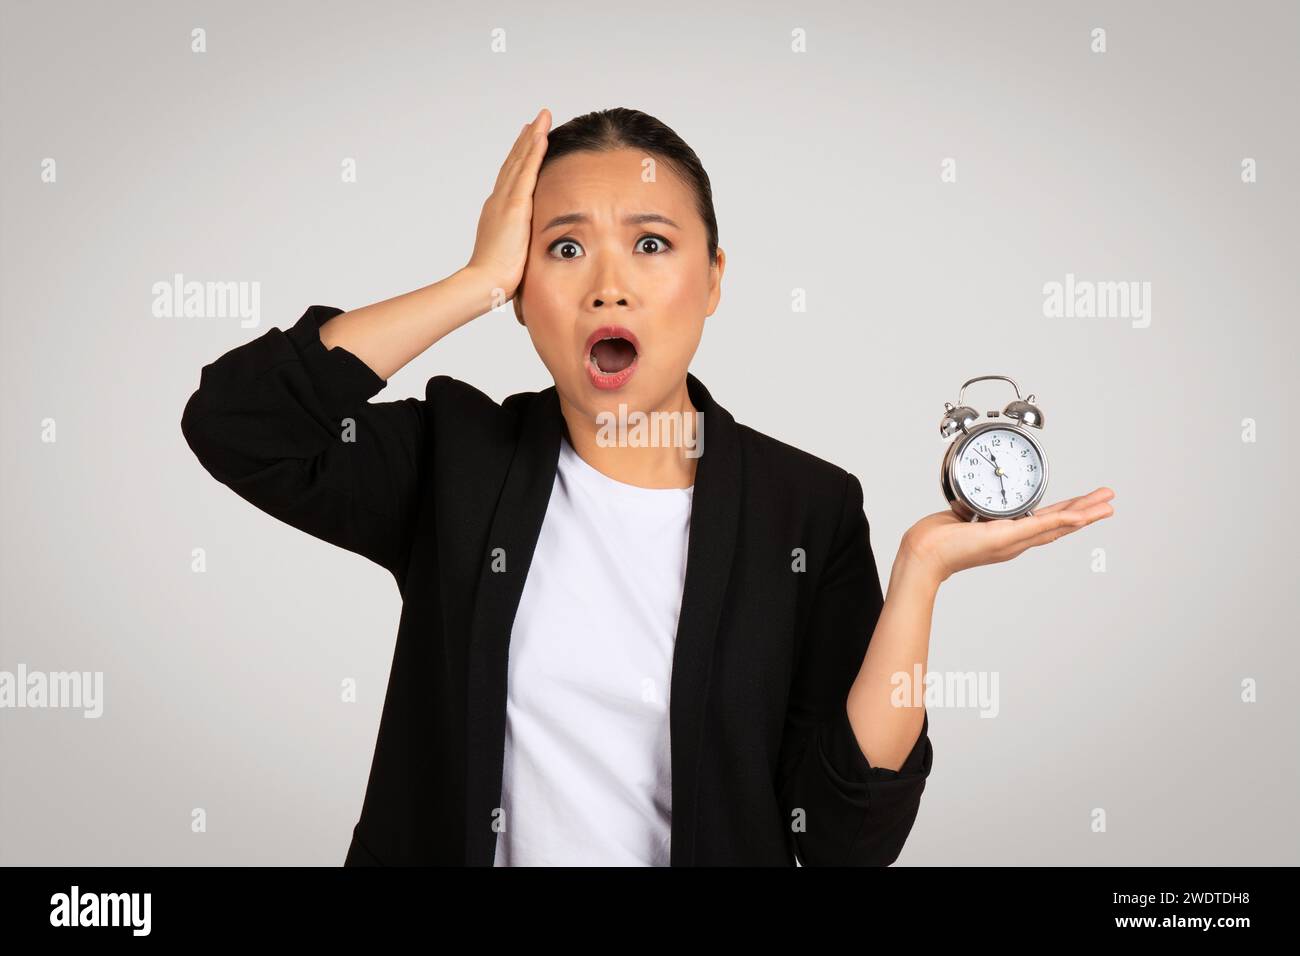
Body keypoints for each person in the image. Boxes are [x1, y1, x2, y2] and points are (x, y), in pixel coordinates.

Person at [180, 106, 1115, 866]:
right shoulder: (455, 460)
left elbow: (845, 839)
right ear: (523, 292)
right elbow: (238, 423)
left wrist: (920, 574)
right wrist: (473, 282)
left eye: (653, 244)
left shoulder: (806, 510)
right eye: (563, 249)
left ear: (713, 280)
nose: (609, 287)